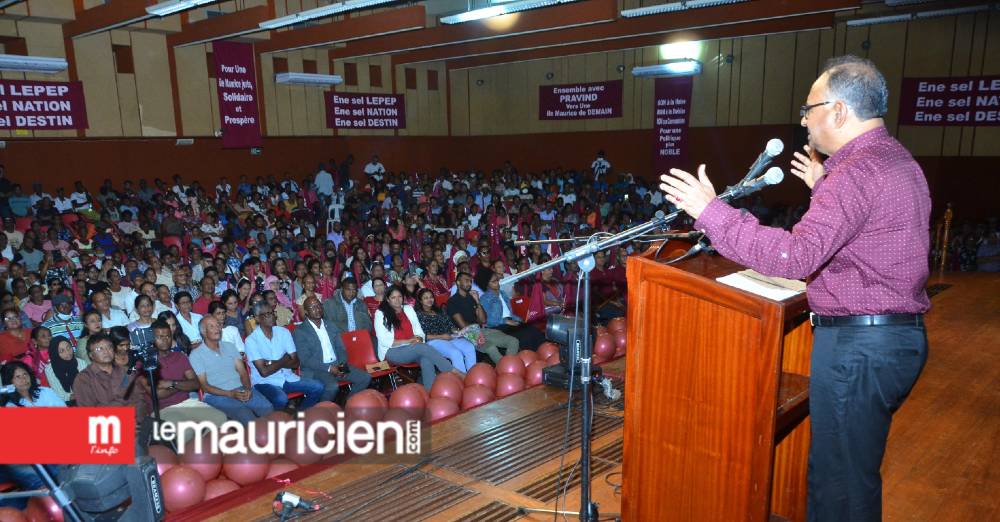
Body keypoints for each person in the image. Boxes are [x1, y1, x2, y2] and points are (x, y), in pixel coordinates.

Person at [658, 55, 930, 522]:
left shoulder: (856, 174)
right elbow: (865, 239)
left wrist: (710, 212)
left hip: (858, 347)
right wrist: (824, 185)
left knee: (839, 488)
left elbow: (794, 258)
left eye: (811, 108)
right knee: (851, 475)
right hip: (890, 340)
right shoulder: (892, 160)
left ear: (840, 112)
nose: (804, 119)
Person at [189, 315, 272, 423]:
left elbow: (243, 372)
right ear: (204, 332)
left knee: (267, 408)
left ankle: (276, 437)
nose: (217, 329)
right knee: (245, 415)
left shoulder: (230, 346)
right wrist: (230, 394)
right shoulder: (196, 355)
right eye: (212, 326)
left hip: (240, 388)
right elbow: (205, 386)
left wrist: (247, 389)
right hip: (216, 395)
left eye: (218, 325)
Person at [374, 286, 460, 389]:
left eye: (399, 296)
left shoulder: (408, 309)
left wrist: (419, 338)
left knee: (426, 360)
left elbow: (419, 331)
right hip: (392, 351)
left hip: (413, 347)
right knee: (421, 347)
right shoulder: (380, 313)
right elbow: (384, 341)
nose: (397, 300)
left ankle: (430, 392)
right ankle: (454, 372)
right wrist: (409, 340)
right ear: (387, 299)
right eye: (393, 297)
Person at [244, 302, 325, 411]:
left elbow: (296, 363)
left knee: (318, 386)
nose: (272, 316)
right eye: (267, 314)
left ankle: (301, 414)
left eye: (272, 313)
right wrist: (284, 359)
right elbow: (264, 372)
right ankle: (276, 419)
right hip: (265, 382)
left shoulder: (284, 332)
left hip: (288, 377)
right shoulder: (251, 341)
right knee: (281, 399)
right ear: (257, 318)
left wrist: (271, 363)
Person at [148, 320, 227, 430]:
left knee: (220, 419)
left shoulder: (180, 357)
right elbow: (158, 394)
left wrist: (172, 383)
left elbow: (196, 384)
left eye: (168, 336)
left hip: (187, 402)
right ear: (151, 339)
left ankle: (204, 444)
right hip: (163, 409)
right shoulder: (147, 362)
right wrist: (183, 383)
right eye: (160, 337)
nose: (165, 340)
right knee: (188, 431)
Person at [292, 296, 371, 400]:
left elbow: (340, 348)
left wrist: (341, 365)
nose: (318, 309)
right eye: (313, 307)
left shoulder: (331, 325)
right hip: (317, 369)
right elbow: (305, 359)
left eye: (319, 305)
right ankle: (323, 411)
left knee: (365, 378)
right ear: (306, 312)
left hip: (337, 364)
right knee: (332, 386)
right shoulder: (300, 331)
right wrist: (329, 368)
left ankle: (349, 404)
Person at [73, 333, 150, 421]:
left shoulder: (126, 371)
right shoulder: (83, 379)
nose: (106, 351)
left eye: (109, 347)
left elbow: (140, 400)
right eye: (99, 349)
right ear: (91, 355)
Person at [447, 272, 518, 364]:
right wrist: (477, 328)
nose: (469, 283)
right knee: (491, 348)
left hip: (482, 330)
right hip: (468, 335)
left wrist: (477, 301)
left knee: (513, 341)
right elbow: (463, 325)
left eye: (470, 281)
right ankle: (507, 368)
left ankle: (508, 366)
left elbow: (483, 320)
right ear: (458, 282)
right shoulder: (452, 302)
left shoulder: (472, 297)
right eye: (466, 281)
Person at [476, 270, 546, 350]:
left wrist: (520, 320)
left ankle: (543, 354)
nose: (497, 283)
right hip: (498, 326)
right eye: (494, 281)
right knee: (525, 336)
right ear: (487, 285)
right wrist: (505, 321)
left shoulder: (503, 294)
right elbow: (487, 321)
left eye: (497, 280)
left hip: (510, 322)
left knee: (534, 330)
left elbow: (510, 313)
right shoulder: (485, 299)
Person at [413, 288, 477, 372]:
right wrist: (442, 336)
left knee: (469, 347)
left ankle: (472, 375)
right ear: (420, 301)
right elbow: (422, 335)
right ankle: (461, 379)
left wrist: (459, 332)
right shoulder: (417, 315)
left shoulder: (440, 311)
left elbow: (451, 326)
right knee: (455, 353)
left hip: (449, 337)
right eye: (426, 298)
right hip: (433, 341)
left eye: (431, 297)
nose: (429, 300)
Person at [1, 360, 65, 407]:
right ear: (9, 381)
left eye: (25, 374)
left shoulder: (45, 391)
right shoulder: (11, 405)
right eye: (18, 377)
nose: (24, 379)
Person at [44, 337, 87, 403]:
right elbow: (60, 394)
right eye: (62, 351)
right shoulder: (50, 369)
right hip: (66, 403)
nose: (68, 352)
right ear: (55, 353)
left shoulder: (81, 363)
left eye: (69, 347)